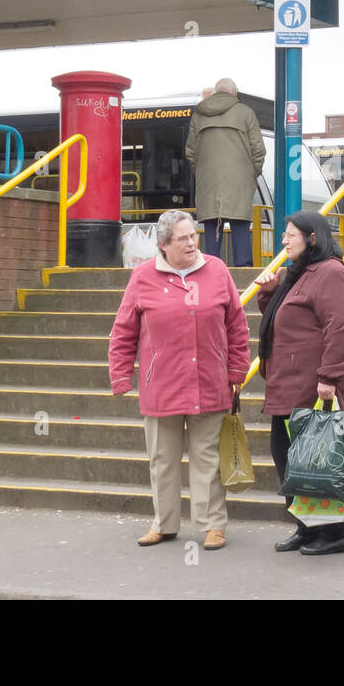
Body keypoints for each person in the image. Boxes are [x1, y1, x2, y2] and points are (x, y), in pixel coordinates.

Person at [108, 210, 250, 551]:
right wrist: (120, 375)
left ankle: (213, 525)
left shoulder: (217, 270)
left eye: (194, 236)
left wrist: (236, 370)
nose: (192, 243)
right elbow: (124, 330)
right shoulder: (143, 277)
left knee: (209, 461)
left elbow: (237, 325)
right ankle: (164, 523)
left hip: (210, 382)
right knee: (162, 460)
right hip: (162, 385)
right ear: (164, 245)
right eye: (183, 238)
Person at [253, 211, 344, 556]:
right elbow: (286, 322)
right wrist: (270, 293)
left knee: (318, 459)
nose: (283, 240)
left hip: (311, 385)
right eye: (283, 234)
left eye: (290, 235)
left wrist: (329, 377)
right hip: (286, 384)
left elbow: (341, 328)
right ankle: (306, 527)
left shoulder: (330, 273)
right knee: (288, 459)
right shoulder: (298, 274)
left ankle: (334, 534)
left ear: (312, 237)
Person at [186, 77, 265, 267]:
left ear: (216, 92)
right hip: (240, 180)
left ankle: (209, 268)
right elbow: (258, 149)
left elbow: (190, 152)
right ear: (234, 92)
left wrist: (202, 173)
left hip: (208, 181)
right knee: (240, 224)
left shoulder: (199, 115)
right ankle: (243, 270)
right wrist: (252, 174)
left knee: (212, 224)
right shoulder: (245, 113)